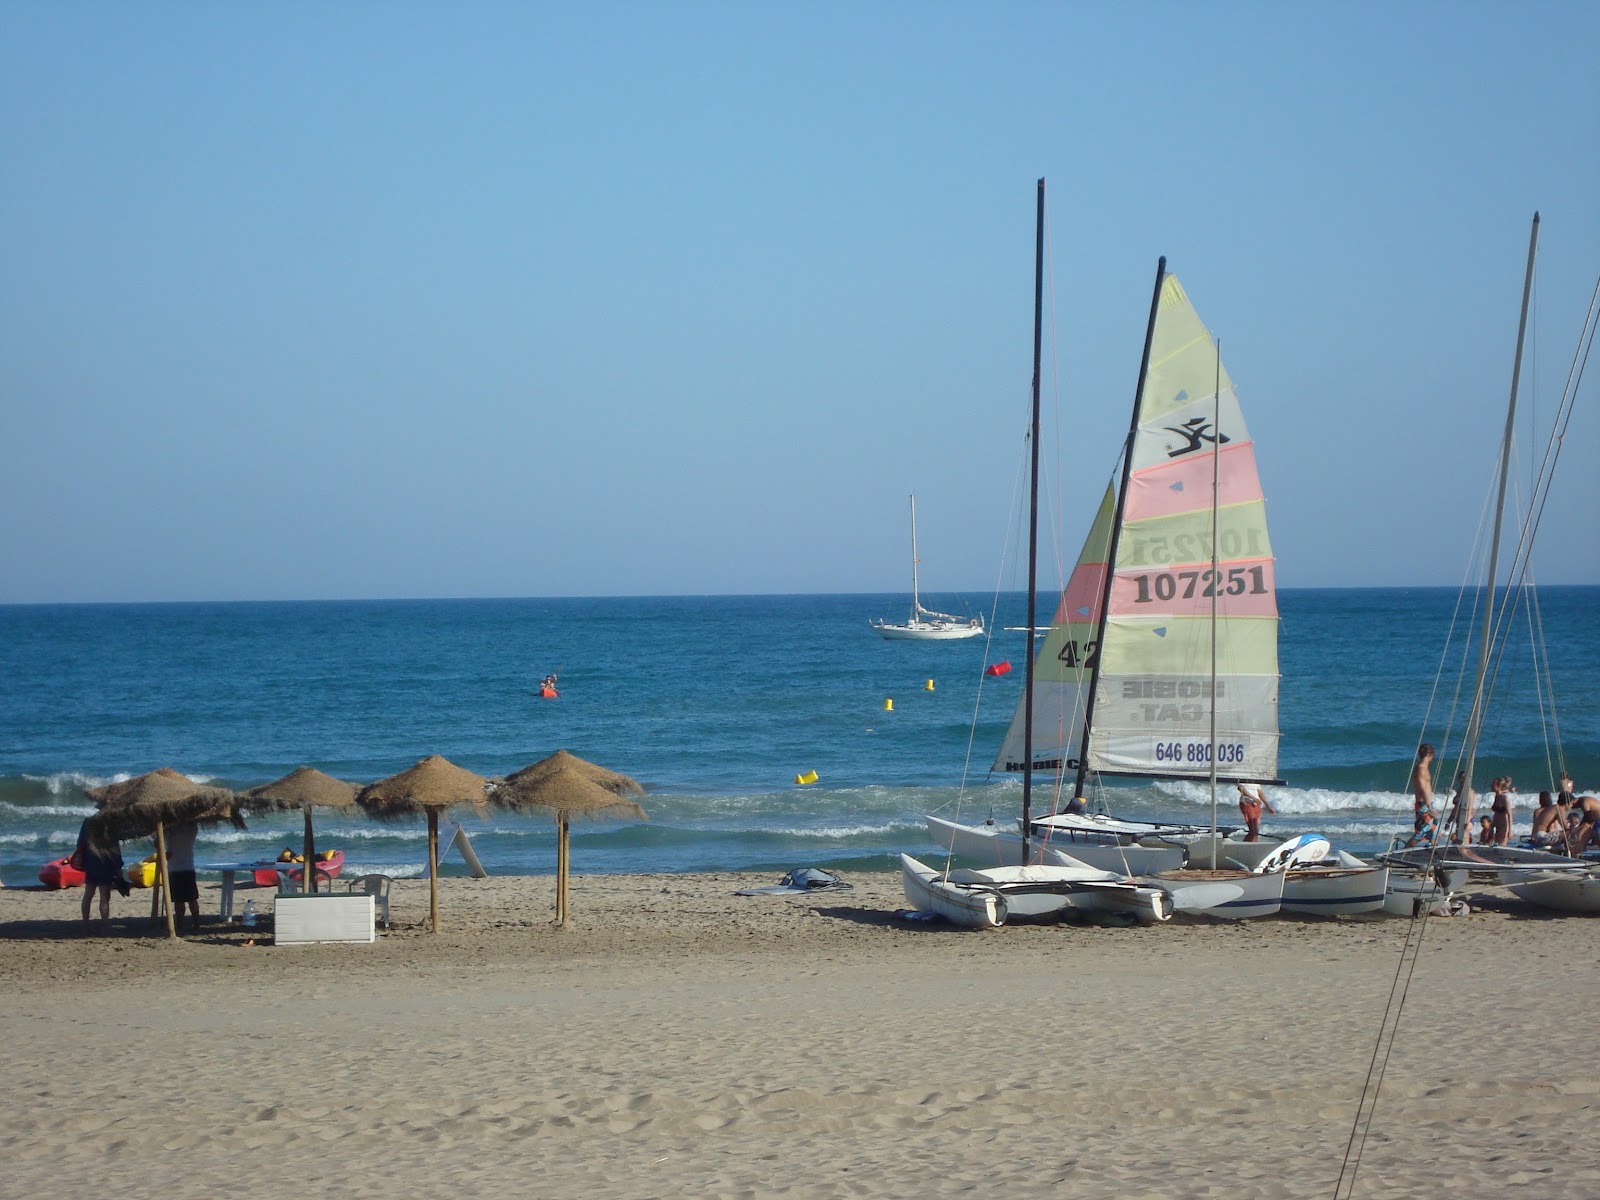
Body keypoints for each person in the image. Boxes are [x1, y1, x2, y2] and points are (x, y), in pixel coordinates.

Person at [74, 817, 124, 935]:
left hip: (90, 862)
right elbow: (114, 847)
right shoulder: (110, 822)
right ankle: (105, 926)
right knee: (104, 896)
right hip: (104, 862)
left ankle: (85, 926)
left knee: (88, 894)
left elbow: (79, 843)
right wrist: (118, 866)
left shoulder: (88, 821)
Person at [165, 821, 201, 934]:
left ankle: (180, 925)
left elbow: (168, 852)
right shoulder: (192, 828)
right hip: (189, 866)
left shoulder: (170, 831)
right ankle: (196, 923)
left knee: (178, 900)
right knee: (192, 898)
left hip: (175, 869)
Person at [1407, 744, 1439, 846]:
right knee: (1421, 832)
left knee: (1434, 831)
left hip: (1426, 802)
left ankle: (1433, 853)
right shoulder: (1421, 768)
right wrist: (1429, 806)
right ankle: (1404, 852)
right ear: (1429, 754)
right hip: (1424, 804)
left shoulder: (1422, 767)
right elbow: (1422, 788)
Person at [1443, 771, 1475, 844]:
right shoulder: (1459, 790)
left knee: (1463, 840)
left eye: (1464, 778)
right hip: (1458, 819)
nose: (1462, 780)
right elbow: (1455, 808)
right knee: (1456, 840)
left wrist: (1467, 821)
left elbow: (1470, 808)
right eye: (1461, 778)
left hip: (1467, 819)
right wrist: (1449, 821)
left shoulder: (1470, 792)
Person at [1490, 776, 1515, 845]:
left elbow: (1510, 815)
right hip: (1497, 825)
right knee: (1495, 845)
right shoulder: (1497, 796)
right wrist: (1492, 824)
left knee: (1501, 845)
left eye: (1493, 784)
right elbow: (1496, 812)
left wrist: (1510, 831)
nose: (1491, 785)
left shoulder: (1505, 798)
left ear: (1498, 786)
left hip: (1504, 826)